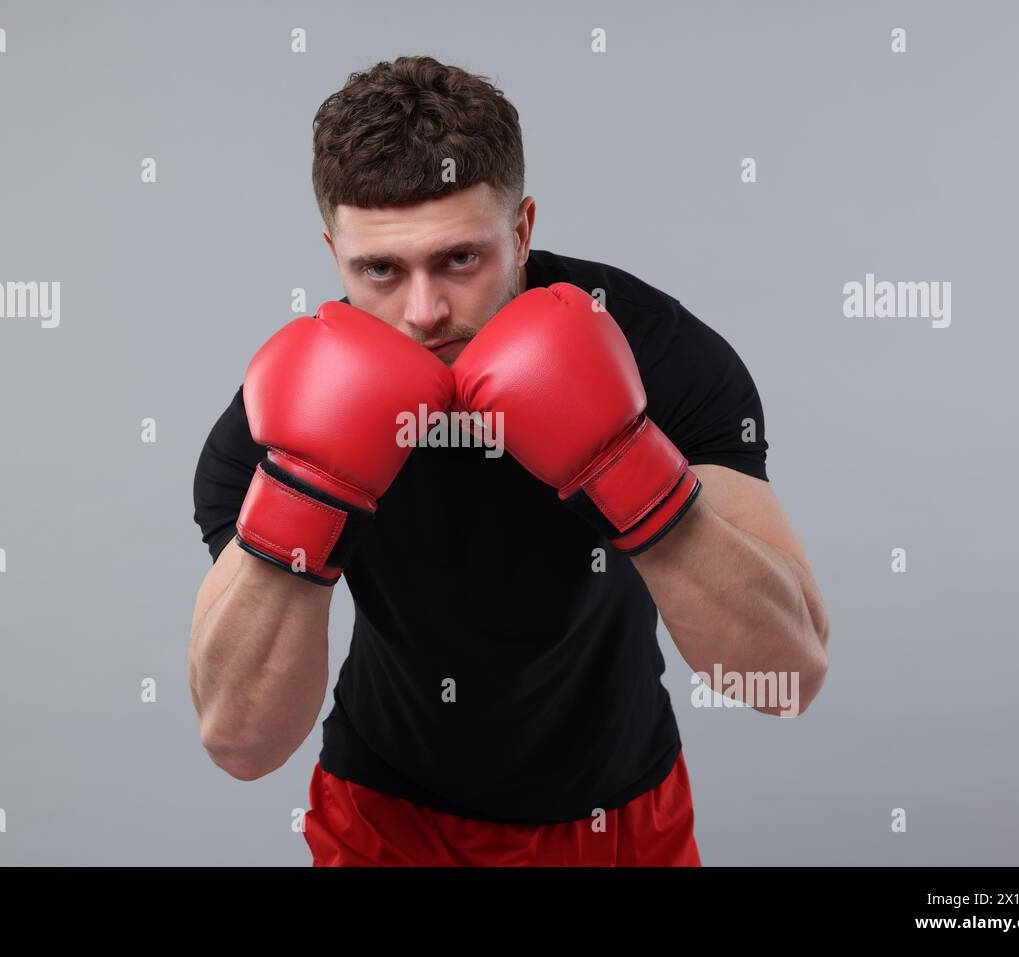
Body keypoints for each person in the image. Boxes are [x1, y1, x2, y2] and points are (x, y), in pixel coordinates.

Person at [189, 55, 830, 866]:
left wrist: (624, 462)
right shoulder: (275, 421)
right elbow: (240, 743)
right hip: (385, 816)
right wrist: (306, 487)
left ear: (522, 229)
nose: (424, 313)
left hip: (618, 812)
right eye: (380, 270)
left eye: (461, 258)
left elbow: (790, 678)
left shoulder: (654, 355)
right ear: (333, 252)